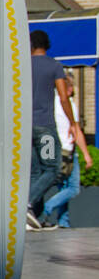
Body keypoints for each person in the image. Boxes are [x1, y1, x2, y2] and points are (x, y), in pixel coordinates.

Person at [27, 30, 77, 230]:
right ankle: (26, 204)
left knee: (35, 171)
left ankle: (34, 217)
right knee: (52, 168)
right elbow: (64, 97)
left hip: (25, 128)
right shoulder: (54, 66)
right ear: (46, 45)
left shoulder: (22, 66)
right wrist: (72, 123)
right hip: (45, 128)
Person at [41, 74, 92, 229]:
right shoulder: (68, 104)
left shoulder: (50, 103)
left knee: (63, 187)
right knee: (73, 188)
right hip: (68, 151)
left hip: (53, 148)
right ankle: (47, 208)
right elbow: (76, 131)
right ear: (68, 89)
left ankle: (64, 222)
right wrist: (86, 154)